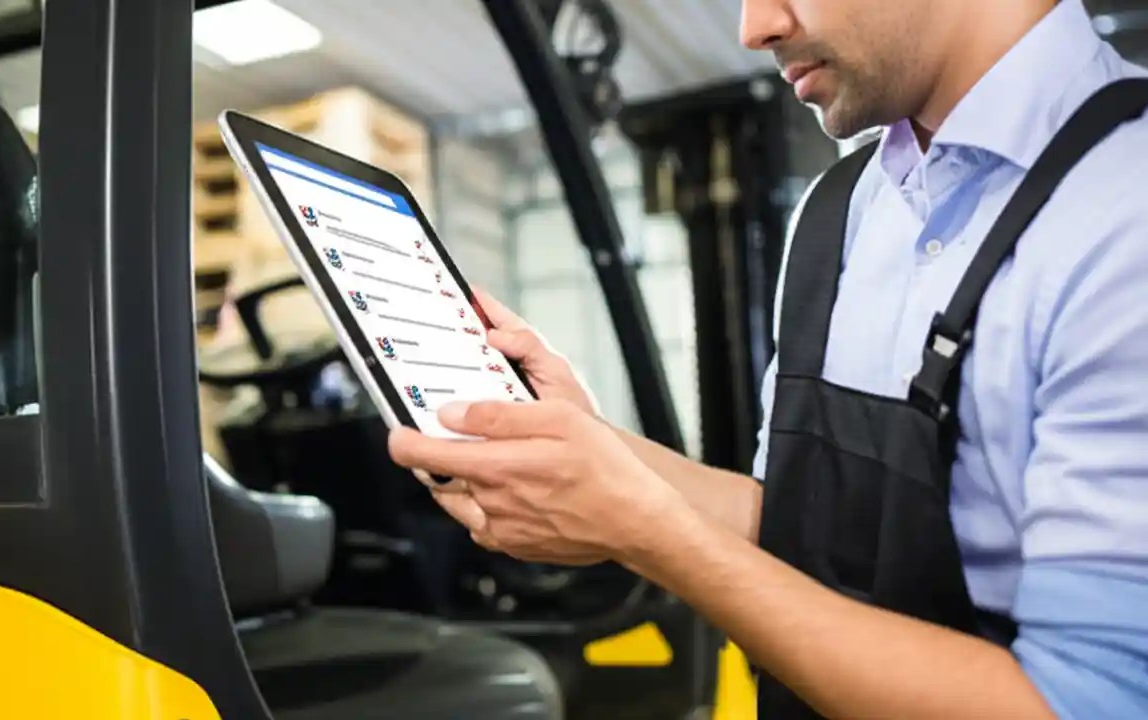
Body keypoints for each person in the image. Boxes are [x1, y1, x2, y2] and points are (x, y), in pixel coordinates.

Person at [389, 0, 1148, 717]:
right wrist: (594, 448)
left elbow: (1085, 701)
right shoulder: (840, 213)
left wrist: (645, 533)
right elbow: (806, 528)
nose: (754, 27)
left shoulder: (1124, 211)